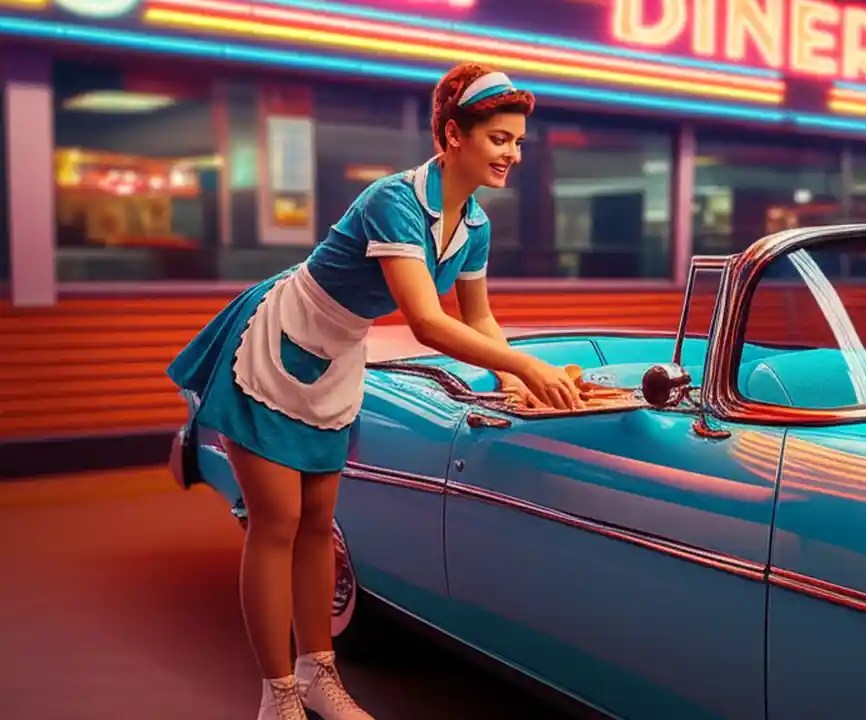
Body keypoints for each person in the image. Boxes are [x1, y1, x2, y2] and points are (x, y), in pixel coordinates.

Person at [166, 62, 583, 720]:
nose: (512, 154)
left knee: (318, 526)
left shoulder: (474, 225)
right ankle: (277, 695)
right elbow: (426, 320)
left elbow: (478, 318)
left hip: (337, 355)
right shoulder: (394, 200)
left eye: (518, 142)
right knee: (275, 524)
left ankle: (317, 676)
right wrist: (527, 368)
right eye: (500, 138)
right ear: (453, 134)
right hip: (276, 341)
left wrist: (513, 374)